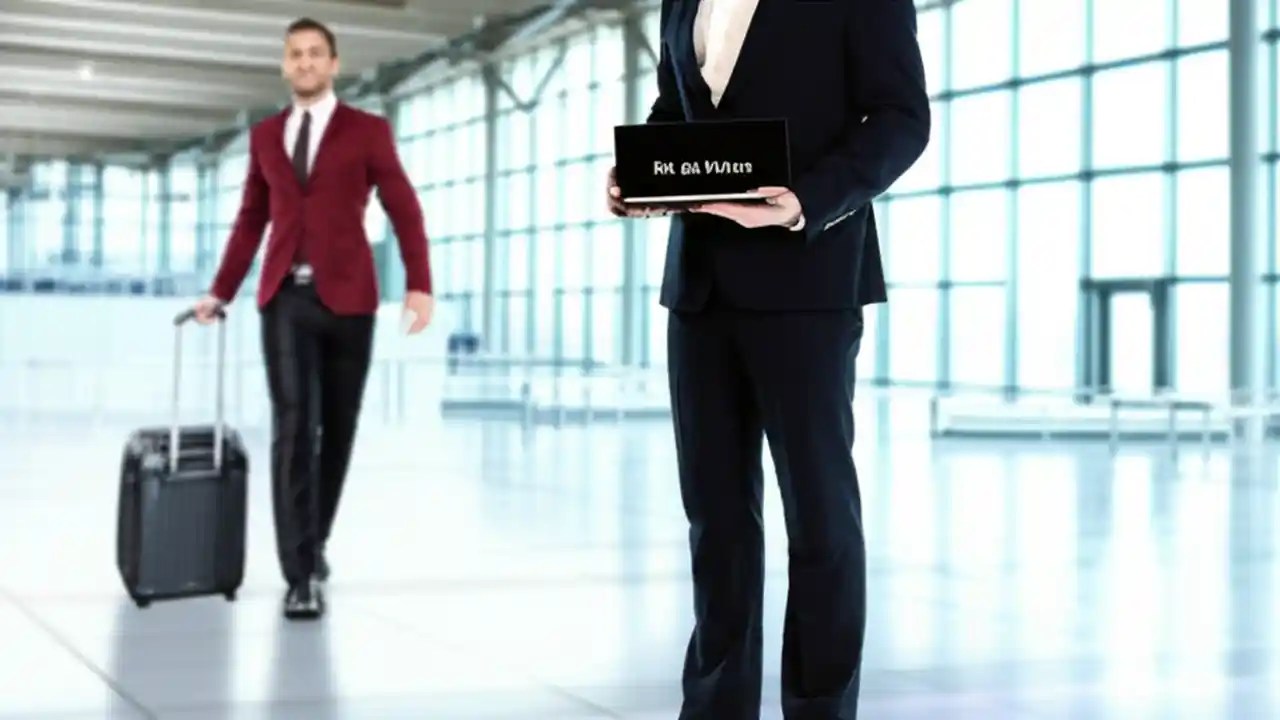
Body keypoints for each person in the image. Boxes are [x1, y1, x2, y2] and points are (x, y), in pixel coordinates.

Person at [608, 0, 929, 717]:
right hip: (699, 286)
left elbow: (903, 118)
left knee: (819, 521)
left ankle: (820, 707)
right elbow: (678, 105)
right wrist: (640, 174)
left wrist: (806, 201)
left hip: (808, 280)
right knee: (715, 522)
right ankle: (717, 705)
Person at [190, 17, 435, 620]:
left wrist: (420, 284)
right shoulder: (265, 137)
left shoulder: (368, 131)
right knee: (294, 430)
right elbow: (251, 219)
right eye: (294, 54)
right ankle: (299, 574)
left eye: (314, 54)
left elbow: (403, 207)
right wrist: (220, 291)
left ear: (332, 63)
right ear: (284, 65)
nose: (303, 63)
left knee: (337, 433)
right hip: (285, 301)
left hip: (351, 300)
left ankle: (314, 539)